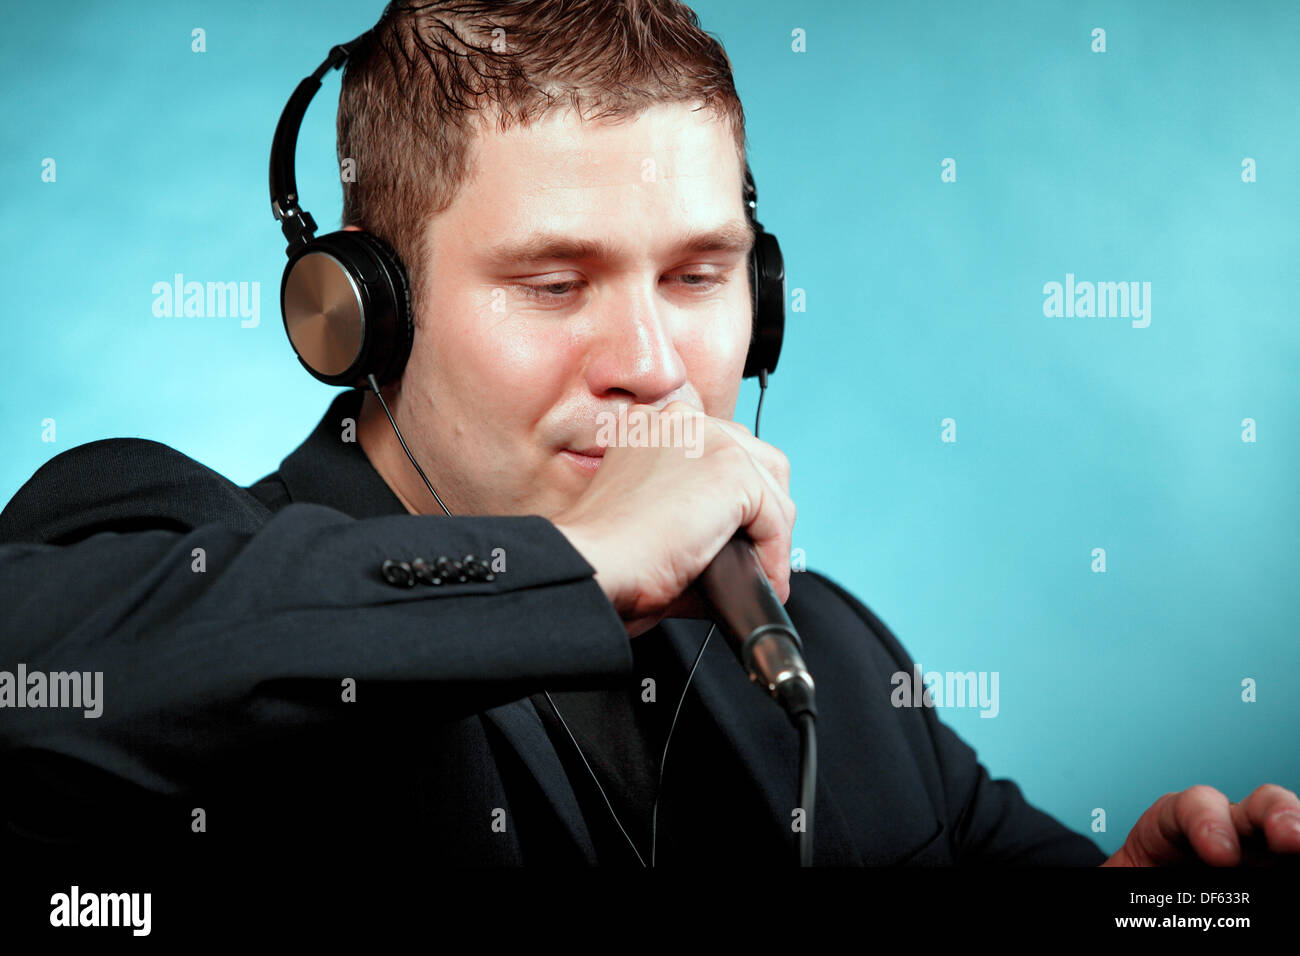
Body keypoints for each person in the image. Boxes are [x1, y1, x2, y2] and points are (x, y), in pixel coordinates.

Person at [1, 0, 1296, 870]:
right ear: (362, 318)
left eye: (696, 276)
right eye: (554, 284)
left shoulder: (827, 657)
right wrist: (569, 571)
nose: (651, 366)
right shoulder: (151, 549)